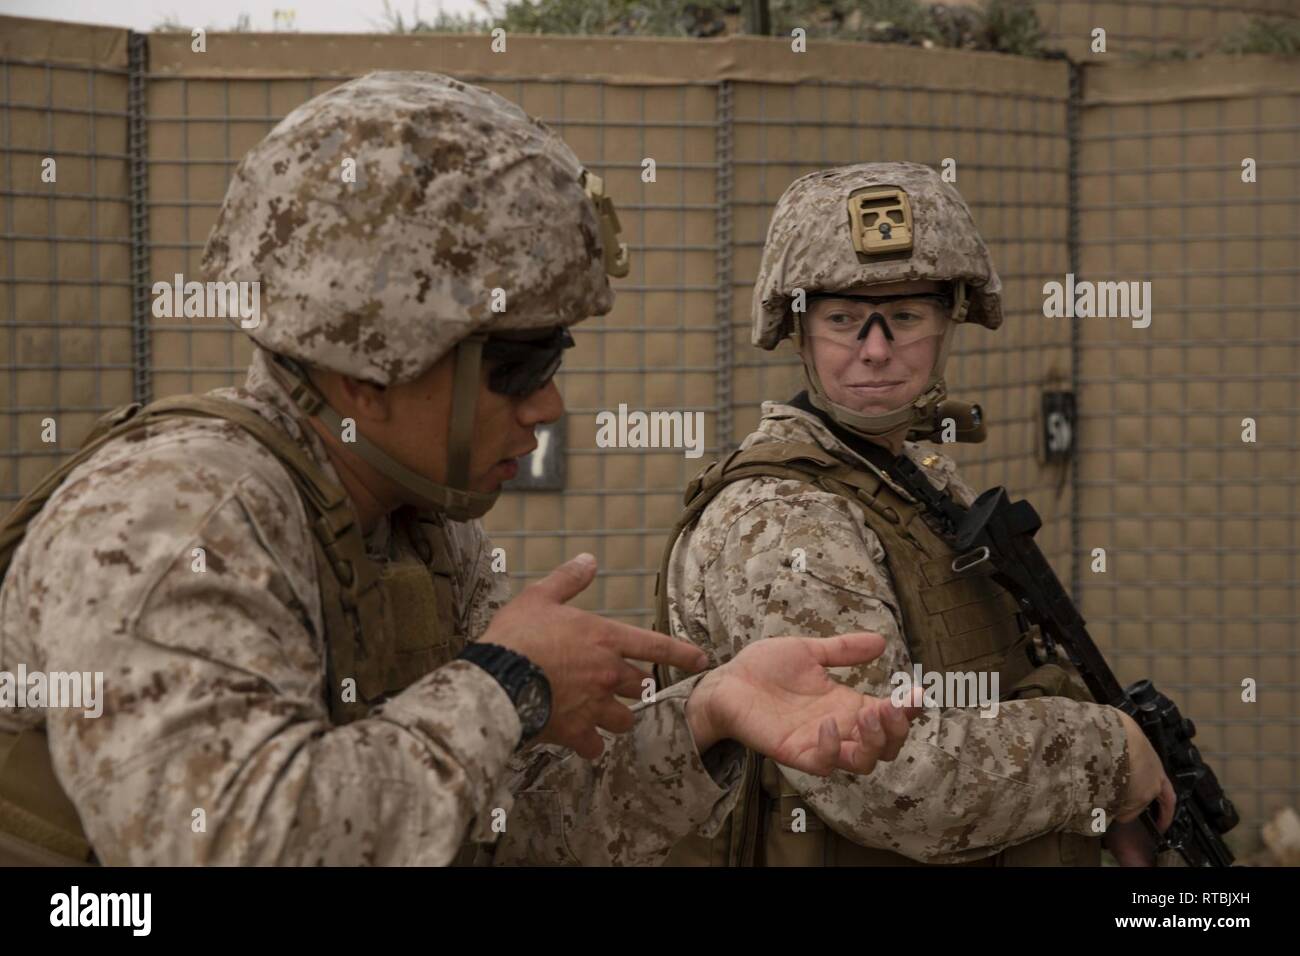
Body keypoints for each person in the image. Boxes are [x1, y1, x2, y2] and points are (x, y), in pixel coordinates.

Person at [0, 75, 916, 867]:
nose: (548, 406)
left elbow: (507, 825)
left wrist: (707, 714)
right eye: (518, 367)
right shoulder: (178, 518)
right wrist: (505, 681)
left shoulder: (421, 526)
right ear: (368, 364)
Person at [657, 162, 1175, 866]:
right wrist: (1110, 758)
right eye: (843, 319)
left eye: (905, 317)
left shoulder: (911, 473)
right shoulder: (783, 519)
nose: (875, 349)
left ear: (946, 325)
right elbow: (884, 780)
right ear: (800, 331)